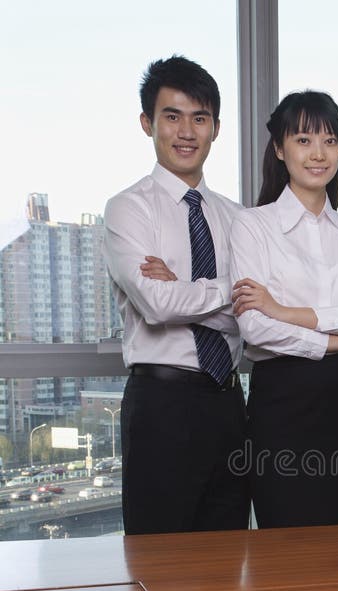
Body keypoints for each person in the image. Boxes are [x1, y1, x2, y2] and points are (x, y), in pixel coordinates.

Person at [229, 90, 338, 528]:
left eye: (330, 140)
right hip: (282, 403)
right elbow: (255, 327)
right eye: (303, 140)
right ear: (280, 149)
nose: (319, 153)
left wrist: (287, 311)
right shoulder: (252, 225)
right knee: (286, 547)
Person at [104, 55, 250, 535]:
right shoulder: (128, 209)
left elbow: (255, 318)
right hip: (161, 406)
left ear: (216, 128)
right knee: (158, 561)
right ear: (148, 123)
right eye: (173, 116)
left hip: (229, 405)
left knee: (228, 559)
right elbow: (155, 304)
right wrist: (230, 292)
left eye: (200, 118)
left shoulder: (236, 218)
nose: (187, 131)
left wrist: (186, 291)